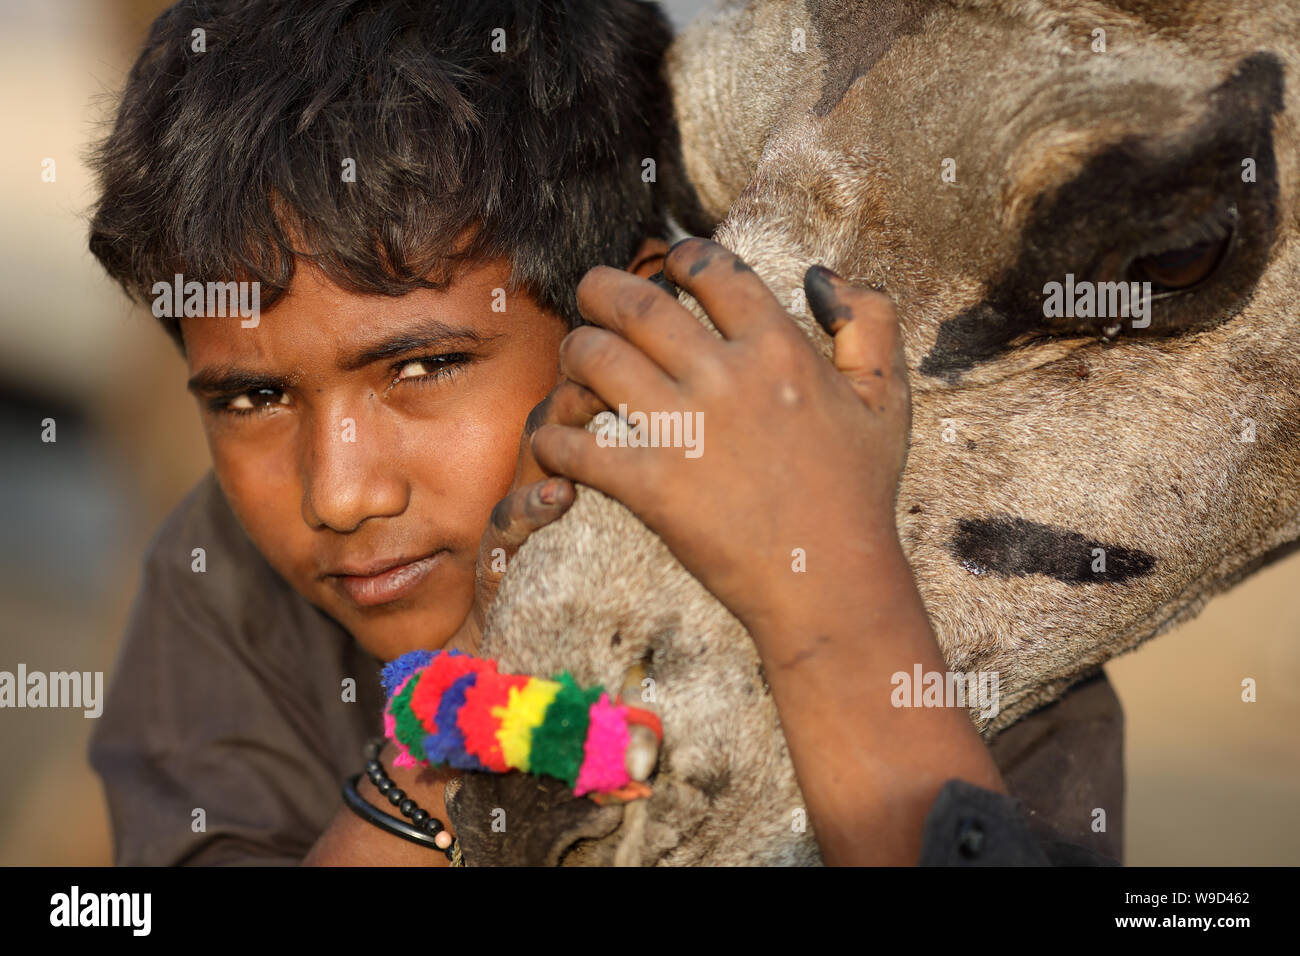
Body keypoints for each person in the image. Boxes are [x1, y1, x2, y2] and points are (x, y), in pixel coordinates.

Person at [86, 0, 1120, 866]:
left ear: (633, 313)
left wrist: (833, 604)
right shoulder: (226, 581)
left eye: (422, 367)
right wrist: (456, 727)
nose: (341, 493)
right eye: (251, 398)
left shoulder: (941, 594)